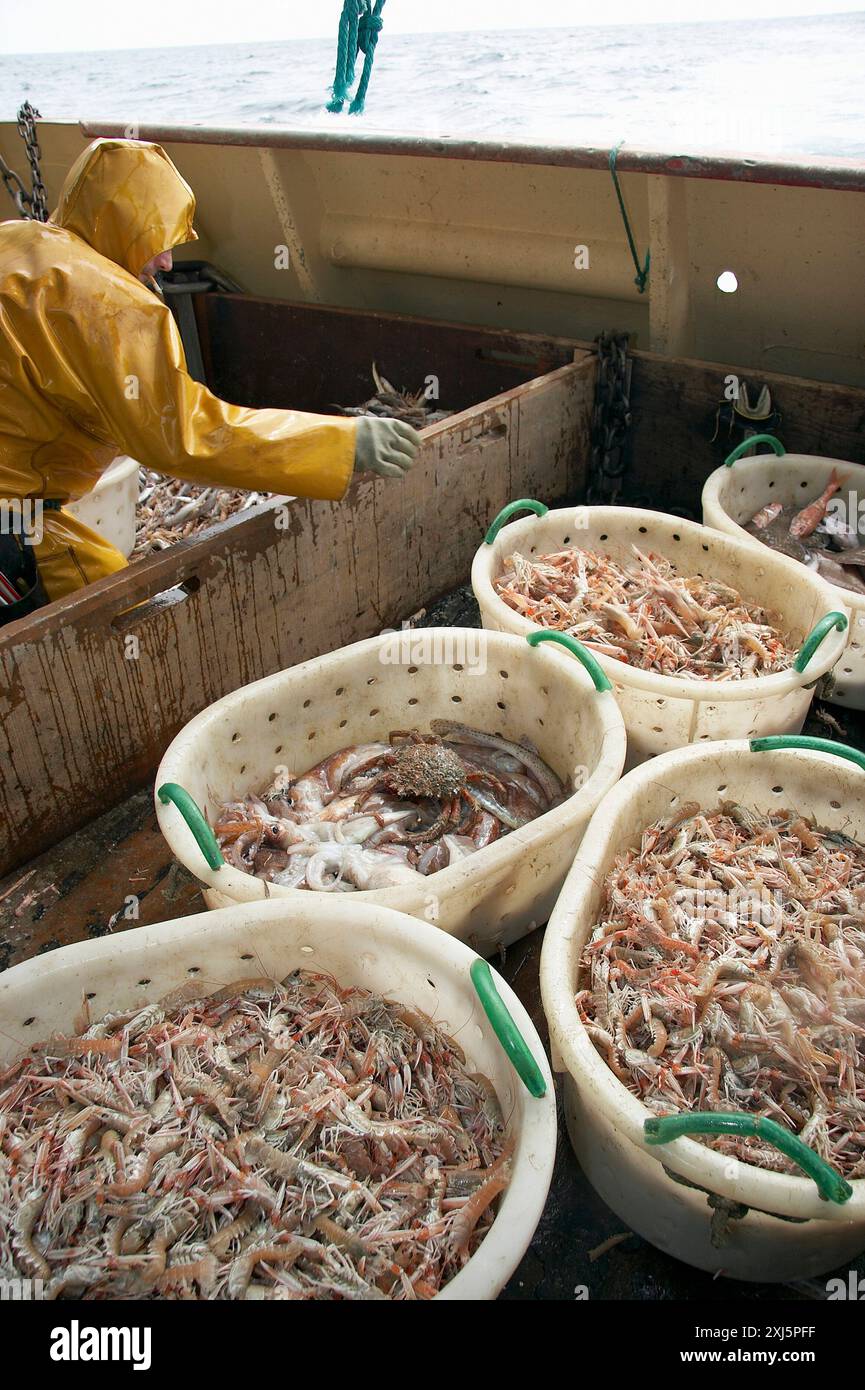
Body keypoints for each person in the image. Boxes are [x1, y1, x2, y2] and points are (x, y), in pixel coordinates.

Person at [0, 138, 421, 608]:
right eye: (156, 241)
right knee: (117, 630)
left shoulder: (19, 241)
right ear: (120, 225)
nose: (167, 262)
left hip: (22, 502)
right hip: (12, 525)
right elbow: (184, 435)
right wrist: (342, 443)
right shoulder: (108, 303)